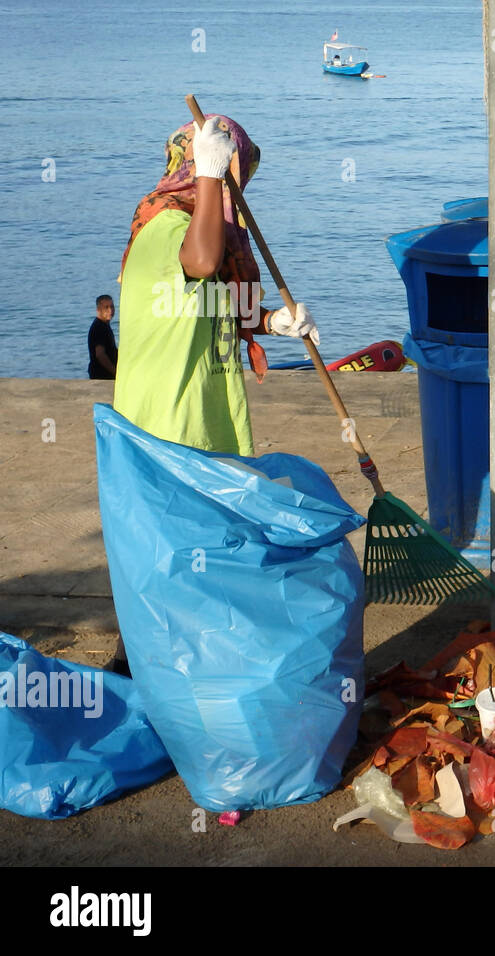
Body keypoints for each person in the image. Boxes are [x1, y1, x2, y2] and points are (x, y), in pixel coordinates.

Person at [107, 114, 319, 676]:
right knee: (169, 556)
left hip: (206, 416)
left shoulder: (205, 235)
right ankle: (136, 677)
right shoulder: (164, 227)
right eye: (235, 176)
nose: (238, 190)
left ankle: (179, 671)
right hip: (167, 419)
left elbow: (208, 301)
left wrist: (274, 322)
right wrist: (208, 174)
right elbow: (197, 265)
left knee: (198, 556)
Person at [87, 294, 117, 379]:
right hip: (102, 376)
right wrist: (115, 373)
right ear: (98, 310)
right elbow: (100, 355)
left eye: (112, 307)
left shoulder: (105, 325)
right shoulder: (99, 327)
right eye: (106, 307)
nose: (110, 310)